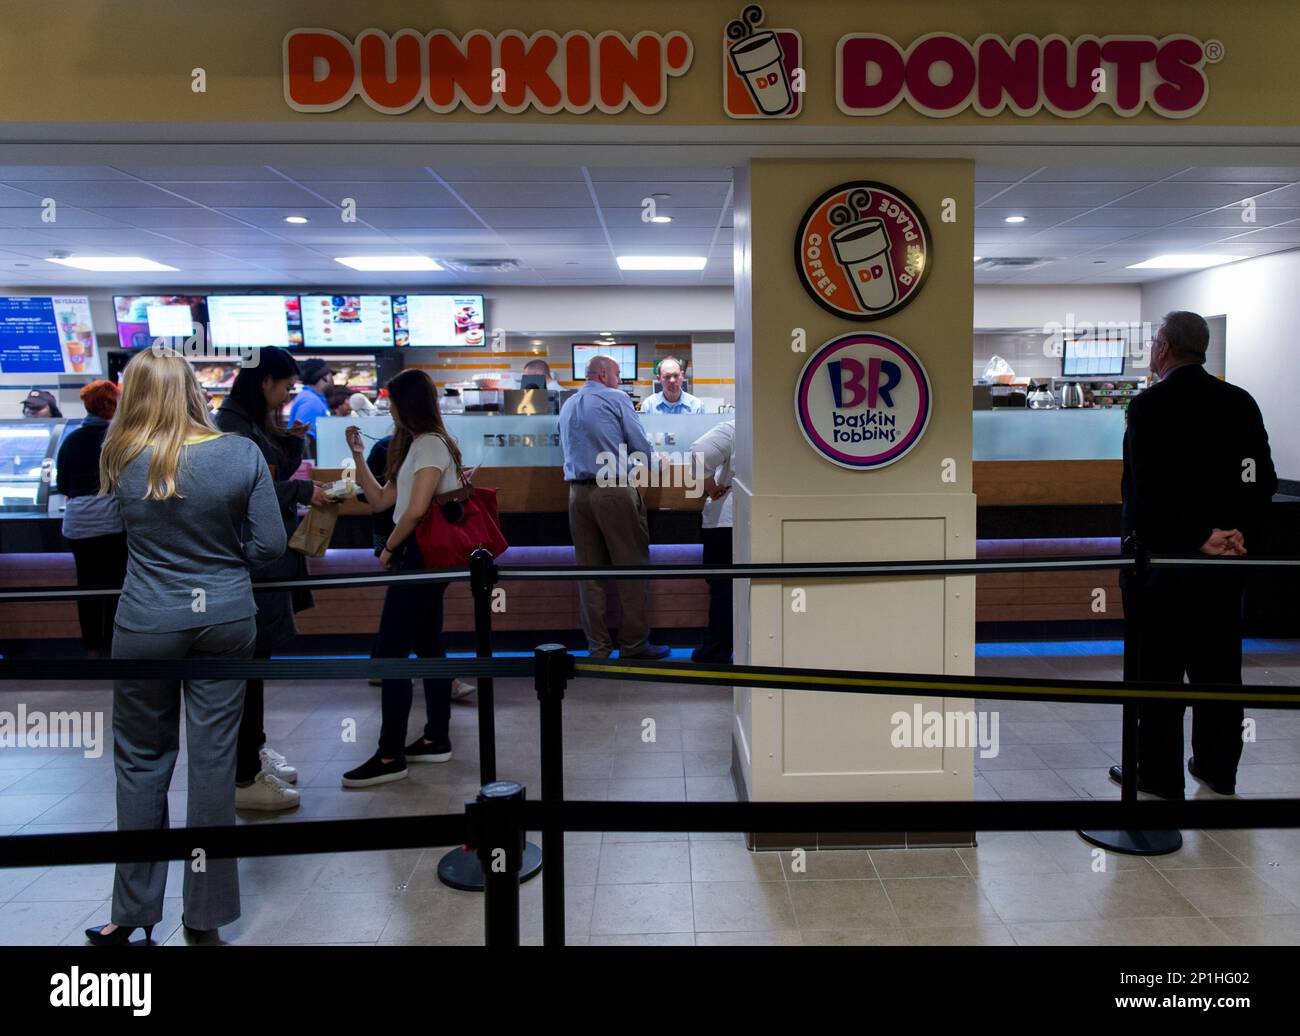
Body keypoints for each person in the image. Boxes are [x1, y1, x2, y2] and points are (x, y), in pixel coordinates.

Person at [85, 347, 285, 945]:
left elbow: (109, 532)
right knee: (214, 763)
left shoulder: (119, 455)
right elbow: (271, 546)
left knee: (141, 762)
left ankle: (132, 914)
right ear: (195, 390)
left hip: (147, 620)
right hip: (226, 616)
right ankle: (206, 916)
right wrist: (226, 565)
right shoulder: (240, 452)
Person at [1112, 310, 1277, 800]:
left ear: (1163, 347)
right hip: (1224, 570)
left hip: (1162, 570)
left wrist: (1195, 535)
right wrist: (1234, 532)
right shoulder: (1239, 402)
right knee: (1220, 672)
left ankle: (1159, 777)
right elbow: (1257, 477)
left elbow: (1150, 492)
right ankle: (1217, 769)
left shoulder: (1149, 407)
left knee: (1157, 675)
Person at [217, 347, 332, 812]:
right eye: (285, 386)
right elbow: (245, 493)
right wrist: (303, 489)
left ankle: (253, 754)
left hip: (268, 562)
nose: (288, 396)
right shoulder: (230, 428)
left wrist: (292, 443)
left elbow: (268, 475)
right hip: (254, 567)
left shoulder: (249, 424)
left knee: (257, 663)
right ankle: (243, 774)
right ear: (264, 381)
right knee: (249, 665)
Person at [341, 369, 466, 787]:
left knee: (392, 653)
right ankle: (435, 736)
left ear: (404, 404)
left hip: (419, 559)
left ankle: (390, 753)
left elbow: (414, 511)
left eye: (392, 402)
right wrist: (359, 456)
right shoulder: (416, 446)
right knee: (429, 645)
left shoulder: (430, 444)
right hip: (422, 559)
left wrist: (390, 548)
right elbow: (379, 498)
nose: (389, 409)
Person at [560, 354, 670, 660]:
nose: (620, 380)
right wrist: (658, 465)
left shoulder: (568, 404)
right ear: (605, 374)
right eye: (618, 373)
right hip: (613, 489)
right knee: (631, 568)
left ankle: (598, 647)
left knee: (589, 576)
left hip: (577, 495)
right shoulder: (616, 398)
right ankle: (634, 645)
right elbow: (640, 446)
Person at [361, 434, 476, 701]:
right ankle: (435, 724)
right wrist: (390, 547)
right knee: (421, 632)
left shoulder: (421, 446)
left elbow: (395, 504)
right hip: (415, 547)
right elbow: (394, 504)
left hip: (416, 548)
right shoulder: (412, 447)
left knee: (415, 631)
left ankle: (423, 730)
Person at [55, 380, 127, 658]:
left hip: (77, 524)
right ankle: (113, 645)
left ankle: (91, 649)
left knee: (86, 585)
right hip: (109, 521)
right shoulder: (117, 440)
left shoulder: (71, 440)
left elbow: (62, 485)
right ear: (111, 405)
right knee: (115, 584)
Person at [690, 418, 736, 663]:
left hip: (725, 521)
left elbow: (698, 453)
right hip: (763, 520)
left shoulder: (734, 426)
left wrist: (710, 486)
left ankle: (716, 650)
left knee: (723, 589)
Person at [287, 358, 334, 438]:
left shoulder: (312, 398)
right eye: (331, 375)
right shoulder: (310, 401)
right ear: (325, 377)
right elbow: (304, 439)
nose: (333, 380)